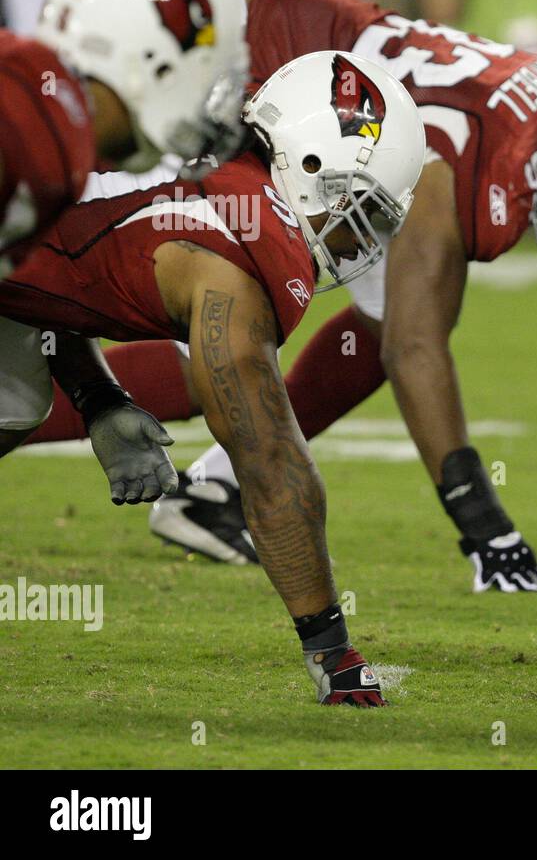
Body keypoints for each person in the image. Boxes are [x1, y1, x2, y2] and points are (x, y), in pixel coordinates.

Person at [27, 0, 537, 593]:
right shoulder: (482, 154)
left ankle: (214, 490)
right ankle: (48, 401)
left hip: (317, 92)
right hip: (257, 63)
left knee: (368, 316)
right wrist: (487, 527)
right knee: (203, 298)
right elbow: (415, 350)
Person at [0, 49, 426, 706]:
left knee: (13, 400)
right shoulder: (244, 253)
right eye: (359, 214)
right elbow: (269, 460)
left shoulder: (205, 144)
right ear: (311, 168)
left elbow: (57, 256)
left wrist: (96, 395)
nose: (357, 246)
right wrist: (333, 651)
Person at [1, 0, 250, 505]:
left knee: (12, 392)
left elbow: (29, 292)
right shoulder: (32, 134)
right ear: (145, 52)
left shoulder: (56, 133)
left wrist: (98, 397)